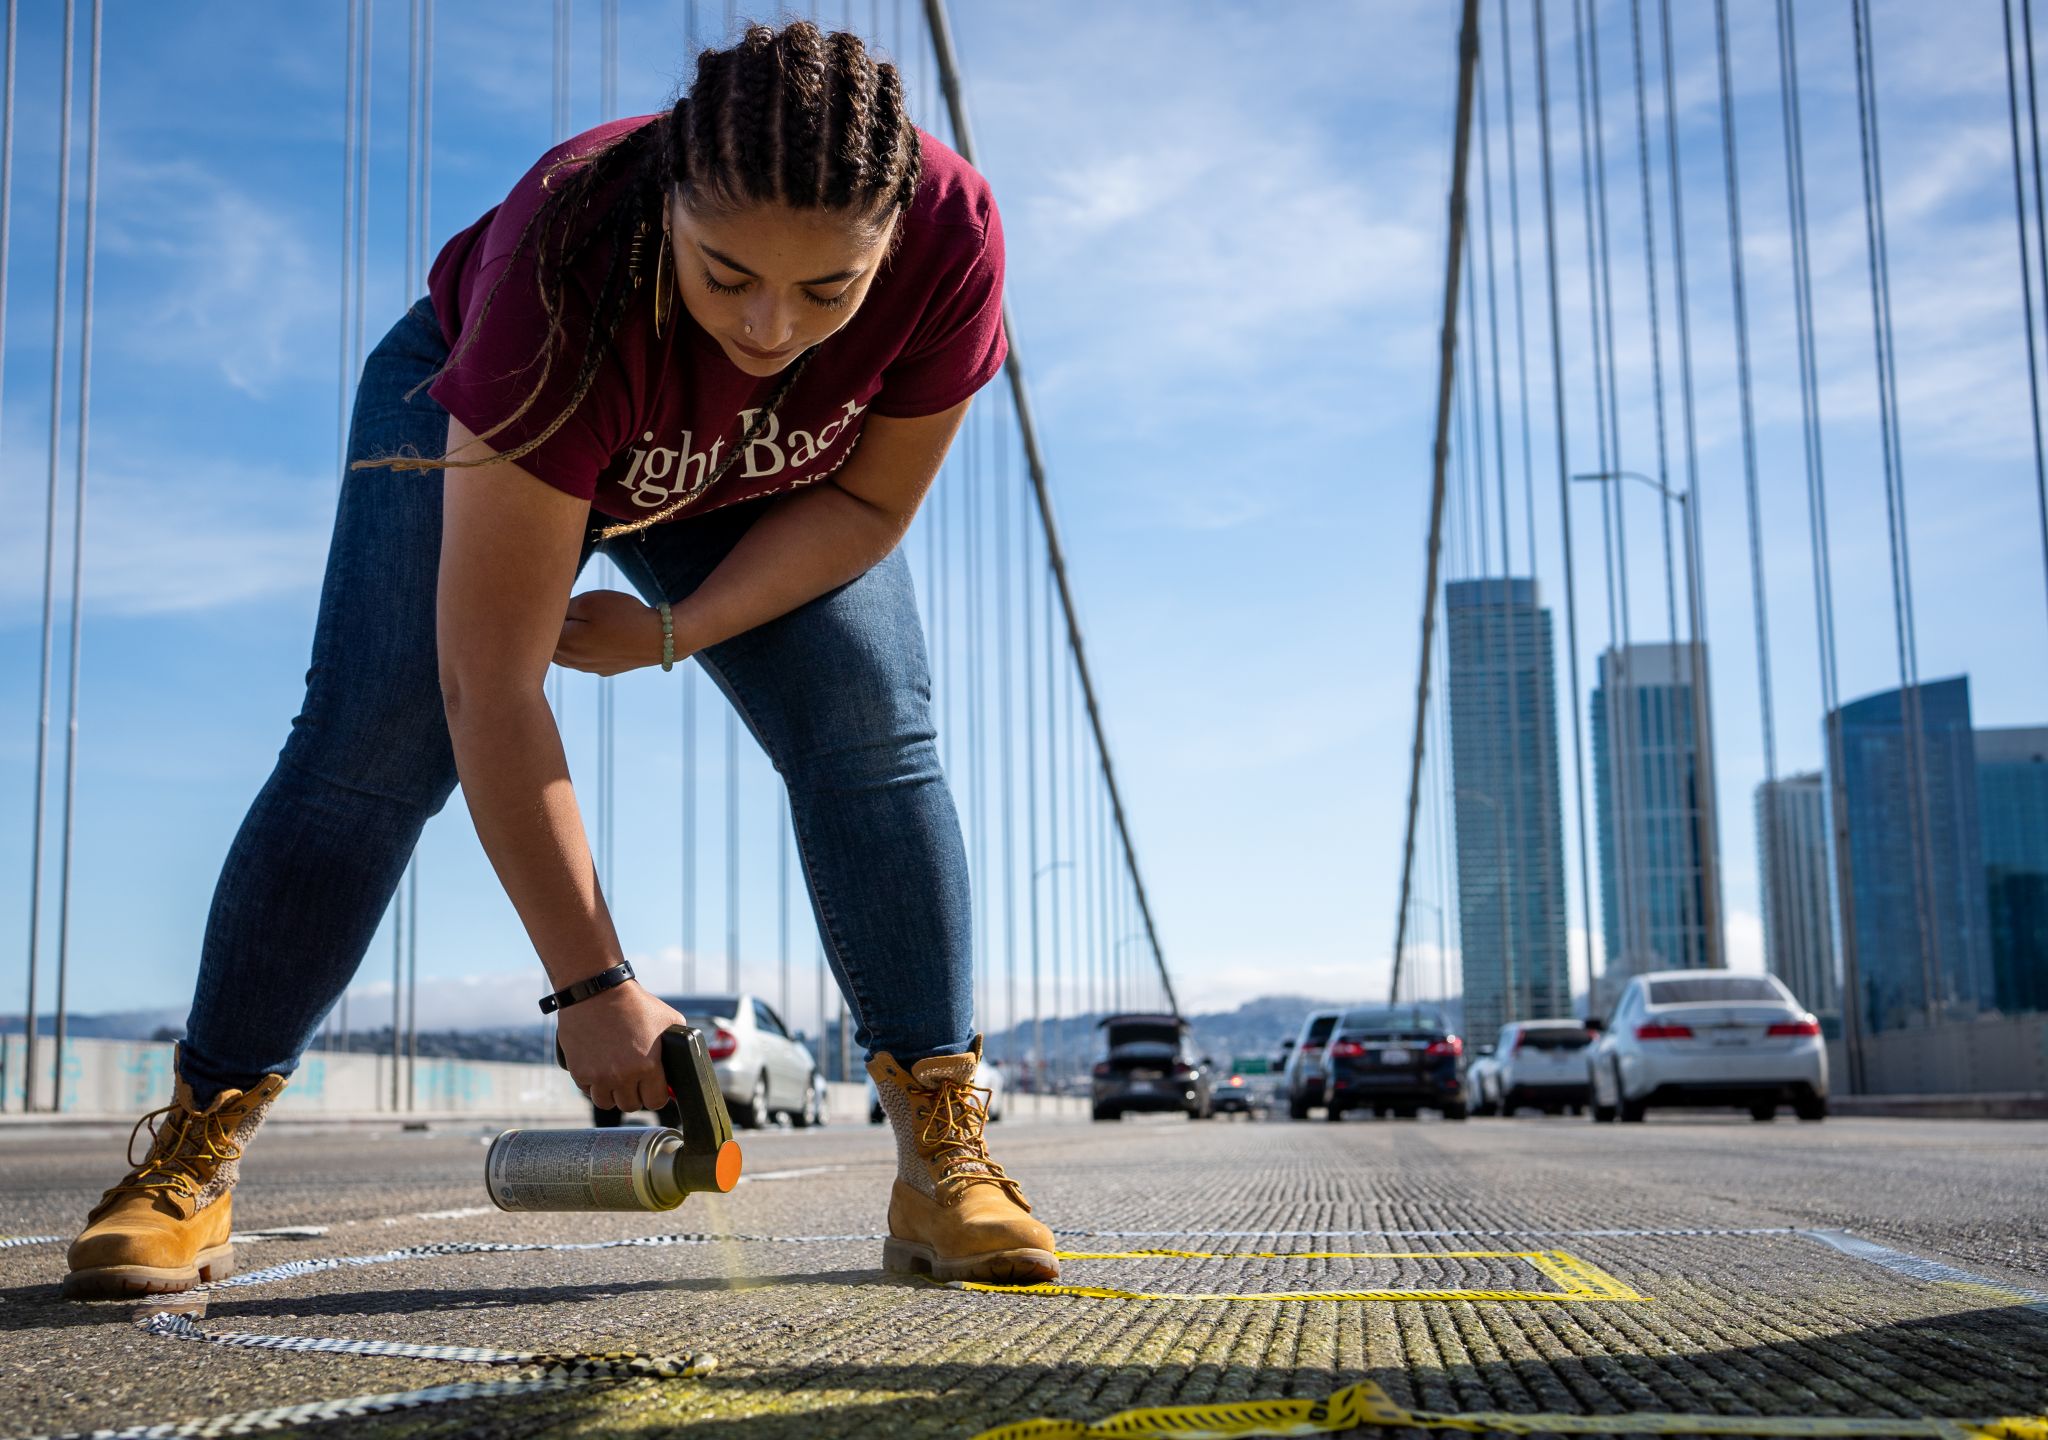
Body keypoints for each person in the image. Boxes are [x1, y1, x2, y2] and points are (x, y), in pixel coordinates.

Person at [64, 20, 1056, 1299]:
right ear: (670, 206)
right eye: (725, 273)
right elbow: (493, 683)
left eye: (827, 293)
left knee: (872, 724)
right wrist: (592, 985)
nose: (767, 325)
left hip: (762, 480)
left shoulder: (952, 237)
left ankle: (941, 1154)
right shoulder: (567, 254)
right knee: (372, 742)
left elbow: (866, 513)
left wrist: (674, 629)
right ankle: (189, 1157)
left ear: (890, 240)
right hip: (516, 403)